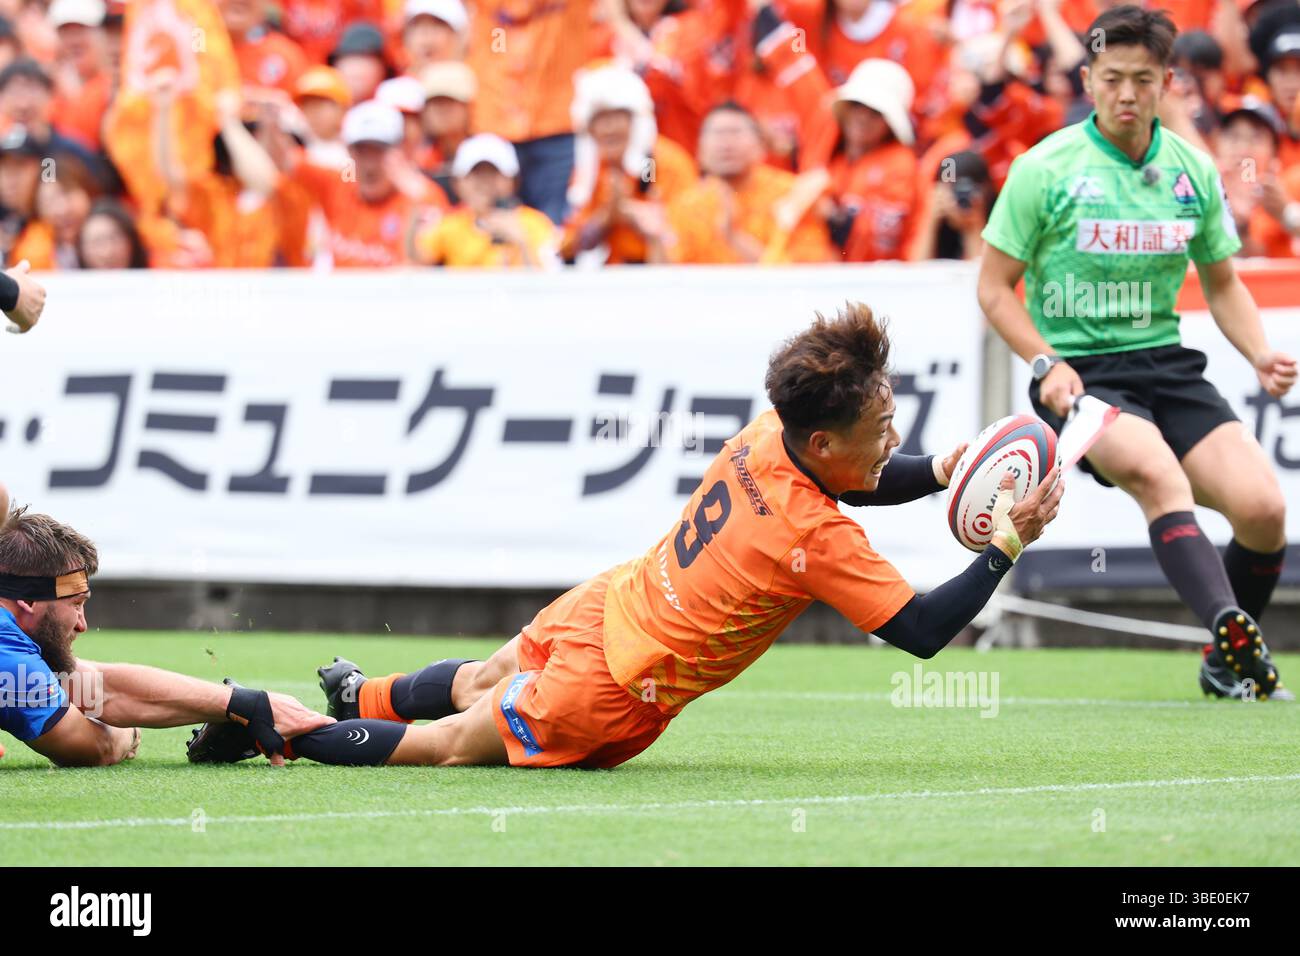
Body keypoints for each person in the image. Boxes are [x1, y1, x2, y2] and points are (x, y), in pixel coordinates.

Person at [188, 303, 1063, 770]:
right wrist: (1003, 545)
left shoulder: (771, 434)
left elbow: (858, 482)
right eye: (884, 424)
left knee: (486, 676)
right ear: (827, 441)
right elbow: (917, 631)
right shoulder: (815, 535)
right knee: (450, 745)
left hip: (615, 595)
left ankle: (359, 693)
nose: (894, 435)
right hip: (617, 685)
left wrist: (946, 471)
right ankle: (275, 728)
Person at [977, 5, 1296, 700]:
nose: (1127, 93)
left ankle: (1223, 662)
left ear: (1166, 84)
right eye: (1113, 78)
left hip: (1166, 365)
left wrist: (1260, 353)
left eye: (1142, 80)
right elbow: (995, 289)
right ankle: (1234, 634)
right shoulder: (1044, 168)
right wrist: (1045, 363)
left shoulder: (1192, 172)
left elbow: (1224, 283)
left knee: (1265, 511)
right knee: (1158, 475)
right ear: (1088, 80)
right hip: (1080, 376)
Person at [0, 507, 332, 767]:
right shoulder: (10, 657)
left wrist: (239, 704)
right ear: (28, 601)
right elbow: (90, 747)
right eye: (76, 604)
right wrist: (126, 734)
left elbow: (101, 689)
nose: (82, 624)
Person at [665, 101, 832, 264]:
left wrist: (733, 236)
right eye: (716, 134)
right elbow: (669, 278)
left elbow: (806, 274)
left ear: (761, 145)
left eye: (735, 133)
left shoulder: (794, 195)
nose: (725, 144)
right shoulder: (685, 205)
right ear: (700, 150)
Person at [411, 133, 558, 268]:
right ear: (458, 183)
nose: (484, 183)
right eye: (475, 174)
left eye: (493, 174)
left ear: (512, 181)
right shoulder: (450, 225)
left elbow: (549, 280)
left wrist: (522, 242)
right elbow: (417, 262)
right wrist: (413, 222)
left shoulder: (535, 223)